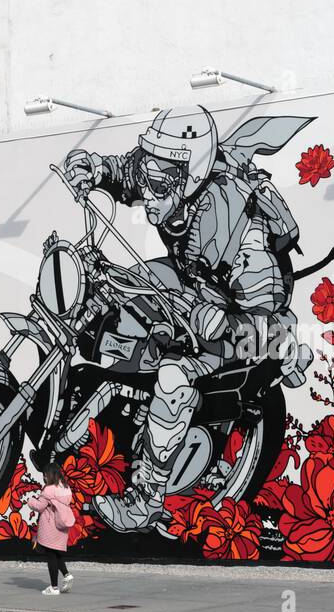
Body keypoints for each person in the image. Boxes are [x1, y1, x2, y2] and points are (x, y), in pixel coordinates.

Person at [60, 106, 315, 532]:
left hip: (240, 313)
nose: (149, 191)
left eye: (159, 184)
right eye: (151, 176)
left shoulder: (240, 233)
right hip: (192, 280)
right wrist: (96, 168)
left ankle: (145, 501)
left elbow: (268, 320)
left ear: (190, 175)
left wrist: (223, 322)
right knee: (117, 284)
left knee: (175, 378)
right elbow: (130, 172)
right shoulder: (166, 169)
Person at [26, 465, 75, 596]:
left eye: (45, 474)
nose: (44, 476)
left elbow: (39, 506)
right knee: (56, 552)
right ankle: (67, 575)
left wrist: (30, 501)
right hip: (61, 526)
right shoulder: (65, 488)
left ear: (51, 475)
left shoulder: (48, 490)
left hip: (50, 526)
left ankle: (54, 587)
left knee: (51, 556)